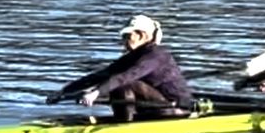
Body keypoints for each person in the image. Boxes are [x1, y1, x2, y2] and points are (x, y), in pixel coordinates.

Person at [48, 14, 192, 121]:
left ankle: (124, 124)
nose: (123, 41)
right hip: (156, 108)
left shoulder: (156, 55)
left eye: (127, 36)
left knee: (123, 83)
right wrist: (64, 92)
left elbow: (128, 76)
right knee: (111, 79)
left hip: (176, 110)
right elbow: (101, 75)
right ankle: (124, 121)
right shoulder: (134, 56)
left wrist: (96, 92)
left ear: (141, 35)